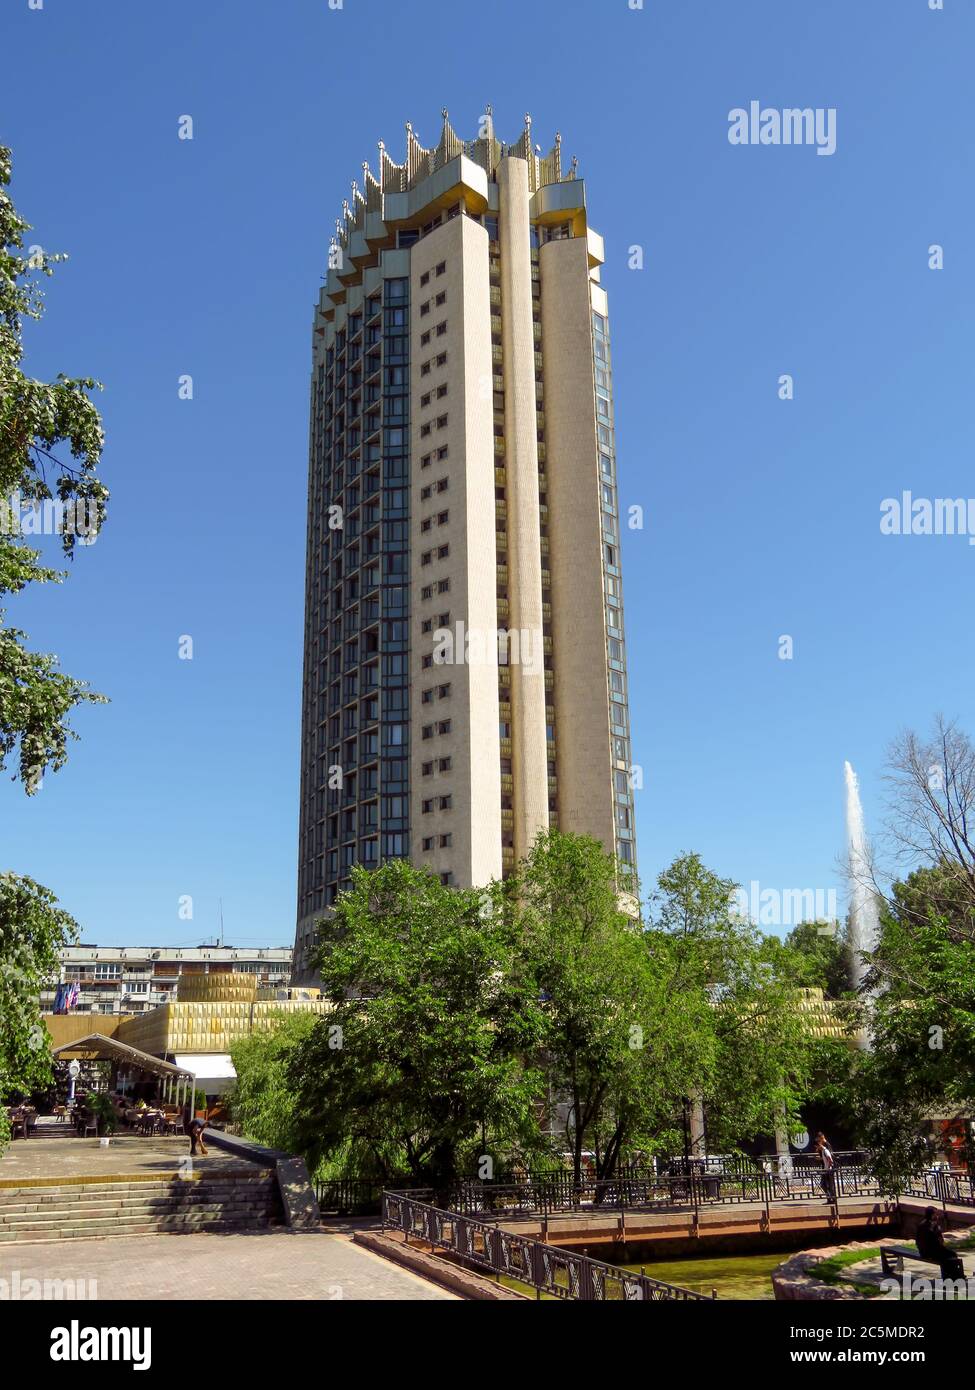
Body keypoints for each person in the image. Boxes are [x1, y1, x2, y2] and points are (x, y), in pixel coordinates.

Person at [915, 1207, 965, 1280]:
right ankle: (953, 1276)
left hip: (927, 1250)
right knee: (951, 1255)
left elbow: (938, 1241)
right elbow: (936, 1241)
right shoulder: (929, 1226)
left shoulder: (926, 1224)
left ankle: (954, 1275)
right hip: (929, 1252)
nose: (937, 1216)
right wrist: (936, 1230)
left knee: (949, 1255)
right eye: (936, 1214)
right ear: (931, 1215)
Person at [815, 1132, 836, 1202]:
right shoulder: (823, 1147)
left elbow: (830, 1158)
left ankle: (832, 1198)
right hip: (825, 1167)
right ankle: (829, 1198)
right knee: (824, 1184)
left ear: (821, 1138)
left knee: (829, 1184)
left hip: (828, 1168)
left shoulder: (826, 1146)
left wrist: (829, 1167)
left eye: (819, 1140)